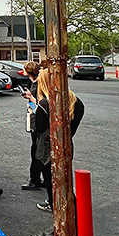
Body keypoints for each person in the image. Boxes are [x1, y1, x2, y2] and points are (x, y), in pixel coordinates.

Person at [25, 68, 84, 223]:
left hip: (48, 150)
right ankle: (73, 221)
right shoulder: (76, 102)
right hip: (66, 146)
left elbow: (38, 129)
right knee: (65, 185)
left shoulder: (45, 104)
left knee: (53, 187)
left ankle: (63, 224)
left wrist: (34, 110)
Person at [21, 61, 44, 191]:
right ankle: (39, 178)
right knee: (37, 148)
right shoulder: (35, 83)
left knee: (36, 149)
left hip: (37, 120)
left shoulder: (38, 84)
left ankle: (35, 179)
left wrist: (30, 98)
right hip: (35, 118)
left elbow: (40, 105)